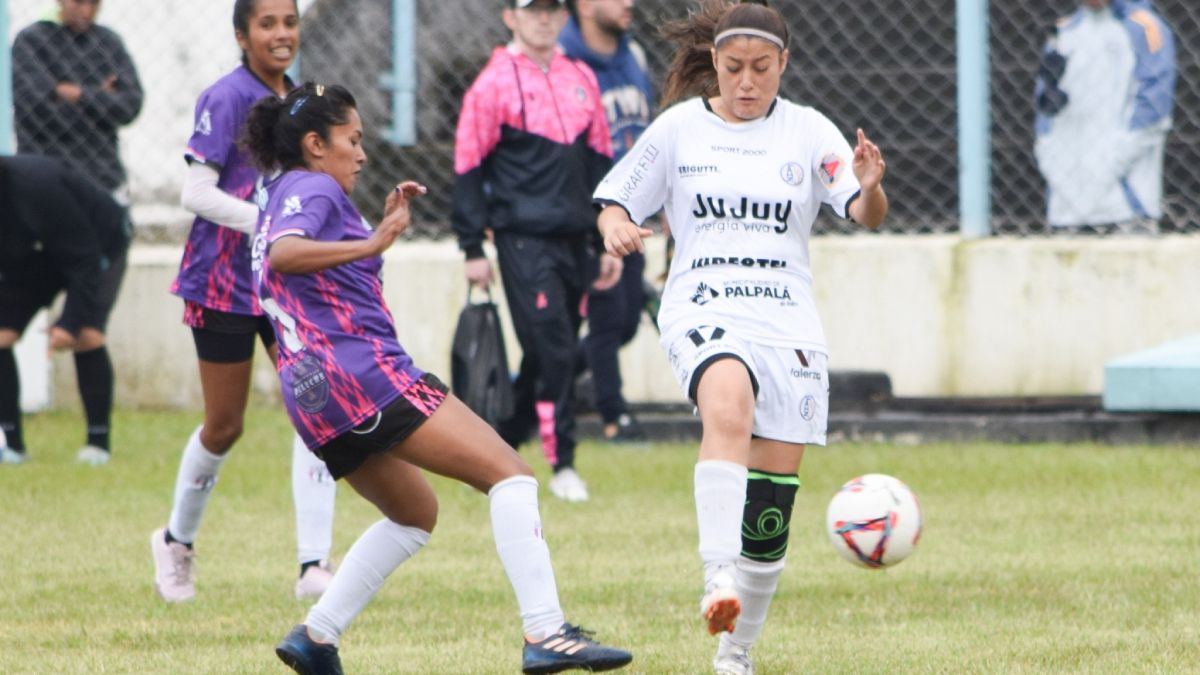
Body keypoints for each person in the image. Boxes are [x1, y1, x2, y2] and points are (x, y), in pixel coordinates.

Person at [244, 81, 633, 675]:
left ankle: (316, 636)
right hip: (365, 376)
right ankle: (547, 632)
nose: (363, 153)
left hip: (315, 397)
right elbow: (285, 255)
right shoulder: (314, 185)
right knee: (512, 475)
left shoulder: (277, 194)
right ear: (316, 144)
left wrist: (378, 237)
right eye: (353, 139)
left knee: (414, 514)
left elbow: (296, 287)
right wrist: (374, 240)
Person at [593, 2, 888, 673]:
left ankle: (737, 652)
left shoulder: (809, 131)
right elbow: (619, 197)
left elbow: (864, 211)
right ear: (714, 67)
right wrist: (614, 221)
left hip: (787, 320)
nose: (746, 82)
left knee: (770, 512)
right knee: (728, 403)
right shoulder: (679, 131)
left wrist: (869, 187)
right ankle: (715, 575)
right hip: (703, 302)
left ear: (783, 64)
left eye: (761, 68)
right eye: (732, 69)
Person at [150, 0, 339, 605]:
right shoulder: (226, 97)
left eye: (289, 22)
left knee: (316, 407)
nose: (281, 34)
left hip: (283, 282)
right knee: (225, 425)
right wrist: (269, 222)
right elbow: (195, 192)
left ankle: (314, 563)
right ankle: (175, 542)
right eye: (267, 24)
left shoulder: (305, 100)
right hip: (223, 283)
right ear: (242, 35)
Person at [452, 0, 621, 503]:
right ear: (511, 17)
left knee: (553, 348)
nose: (543, 19)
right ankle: (563, 462)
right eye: (532, 10)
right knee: (556, 347)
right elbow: (468, 164)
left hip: (575, 238)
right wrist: (471, 246)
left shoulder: (582, 77)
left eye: (552, 9)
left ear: (565, 18)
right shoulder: (492, 83)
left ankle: (502, 435)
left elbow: (600, 162)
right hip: (521, 238)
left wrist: (605, 235)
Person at [560, 0, 653, 443]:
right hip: (588, 211)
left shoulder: (634, 56)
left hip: (632, 208)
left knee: (628, 319)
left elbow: (650, 136)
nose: (628, 3)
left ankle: (549, 376)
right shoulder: (563, 60)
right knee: (606, 318)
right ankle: (614, 417)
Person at [0, 155, 131, 466]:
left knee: (85, 334)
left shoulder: (35, 185)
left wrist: (68, 323)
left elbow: (84, 259)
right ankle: (12, 445)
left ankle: (97, 444)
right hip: (41, 254)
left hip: (100, 245)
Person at [1034, 0, 1176, 231]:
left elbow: (1154, 111)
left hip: (1125, 209)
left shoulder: (1145, 28)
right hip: (1065, 211)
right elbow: (1045, 112)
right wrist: (1052, 162)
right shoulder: (1062, 32)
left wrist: (1110, 165)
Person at [11, 0, 144, 198]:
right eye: (79, 2)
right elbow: (36, 112)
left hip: (102, 176)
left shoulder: (108, 42)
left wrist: (75, 94)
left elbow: (130, 106)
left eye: (94, 3)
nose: (87, 10)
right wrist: (101, 97)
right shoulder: (31, 41)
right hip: (43, 178)